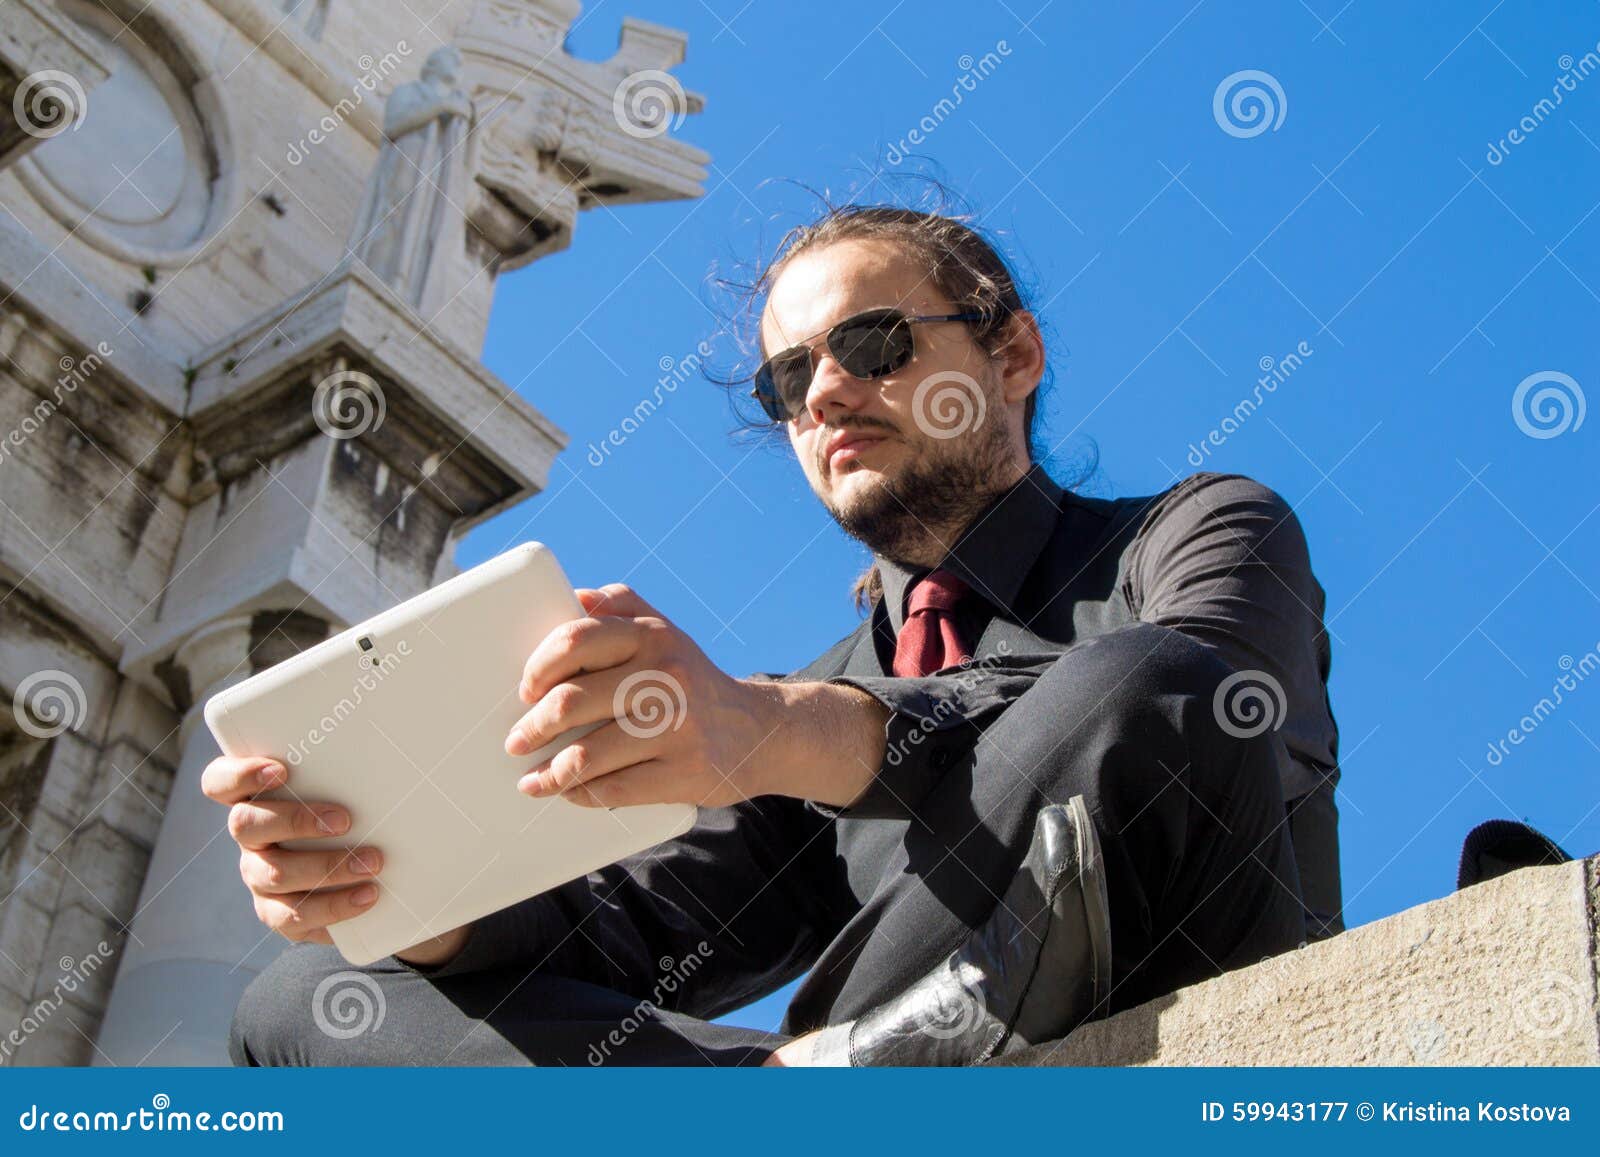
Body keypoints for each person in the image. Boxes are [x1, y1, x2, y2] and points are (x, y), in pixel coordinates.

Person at [211, 203, 1340, 1066]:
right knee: (302, 1002)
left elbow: (1215, 714)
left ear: (1012, 357)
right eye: (788, 377)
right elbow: (618, 947)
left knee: (1154, 681)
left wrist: (781, 733)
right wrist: (403, 891)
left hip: (1167, 988)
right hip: (842, 1052)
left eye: (875, 340)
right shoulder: (804, 697)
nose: (828, 392)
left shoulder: (1195, 528)